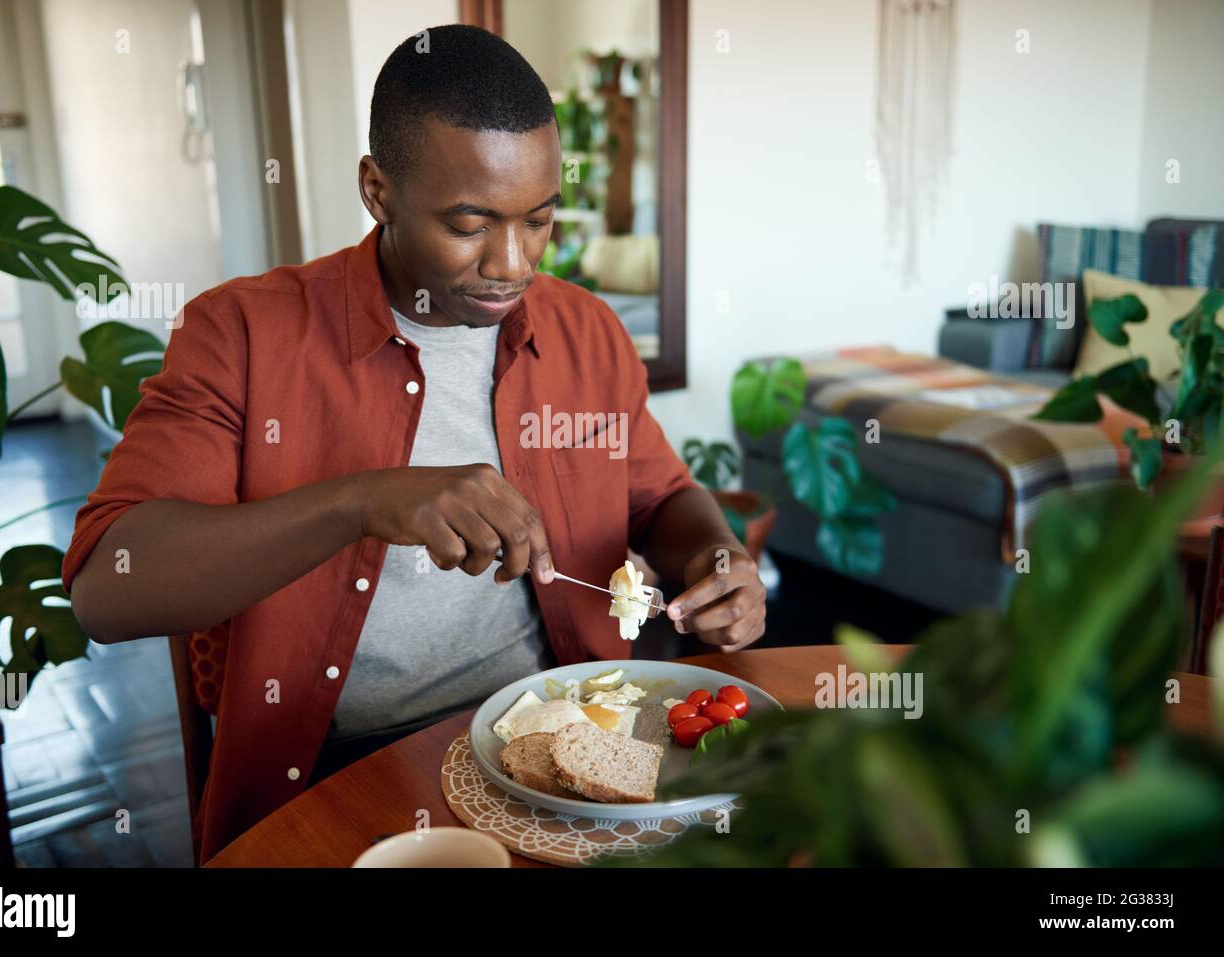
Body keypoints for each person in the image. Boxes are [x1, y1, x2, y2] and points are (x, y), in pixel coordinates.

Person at [64, 24, 766, 864]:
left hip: (557, 747)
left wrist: (717, 555)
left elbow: (659, 499)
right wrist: (366, 499)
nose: (512, 263)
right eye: (469, 223)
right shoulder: (244, 333)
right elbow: (109, 584)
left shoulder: (586, 331)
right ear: (378, 189)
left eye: (538, 221)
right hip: (331, 768)